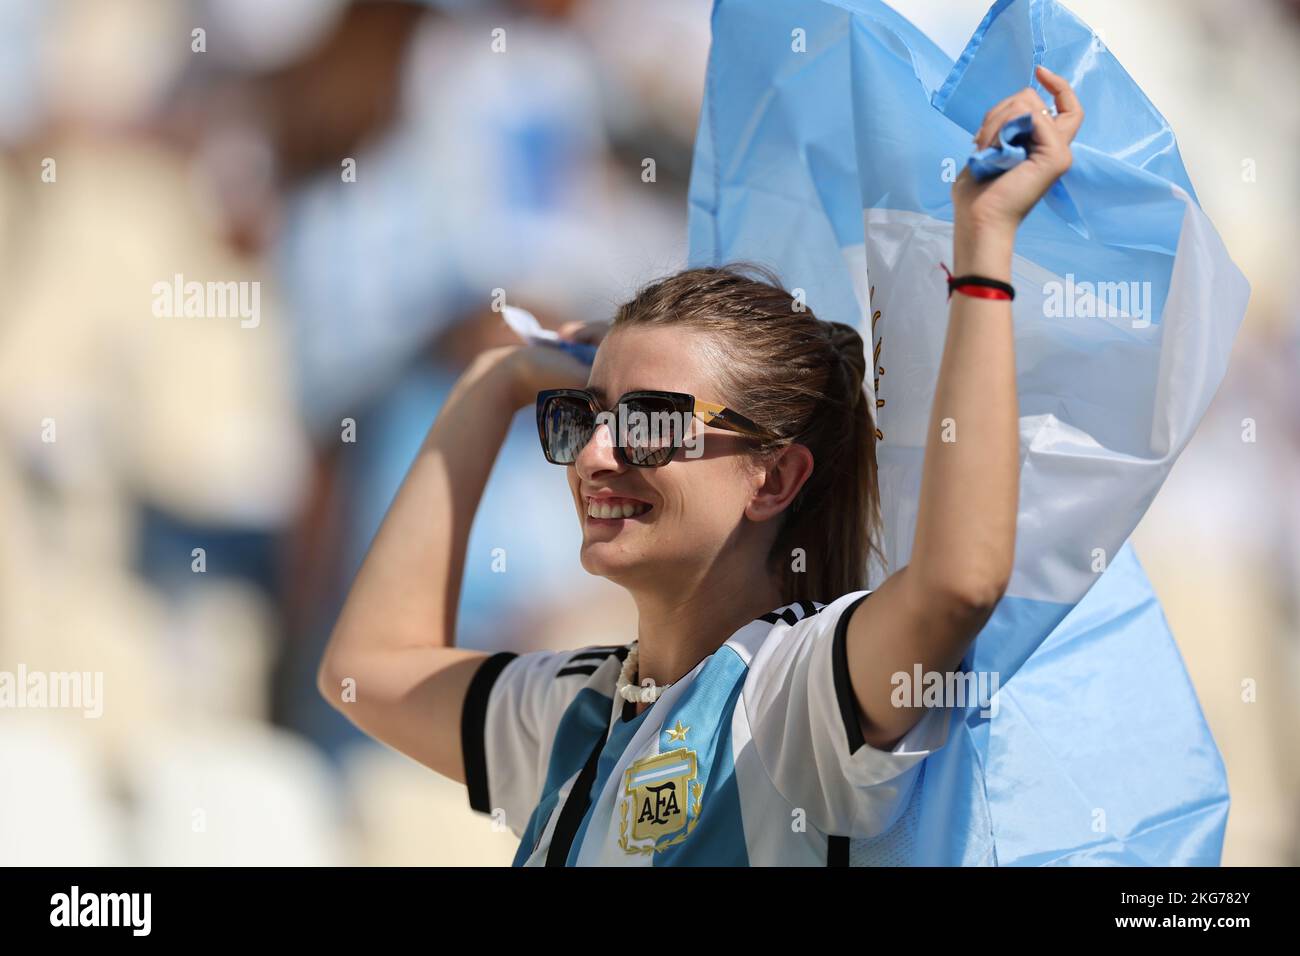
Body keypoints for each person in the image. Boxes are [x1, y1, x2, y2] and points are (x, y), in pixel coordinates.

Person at [319, 66, 1082, 865]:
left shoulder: (797, 690)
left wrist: (985, 246)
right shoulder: (576, 710)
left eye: (649, 422)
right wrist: (495, 381)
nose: (594, 454)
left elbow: (959, 581)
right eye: (583, 415)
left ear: (777, 478)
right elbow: (365, 671)